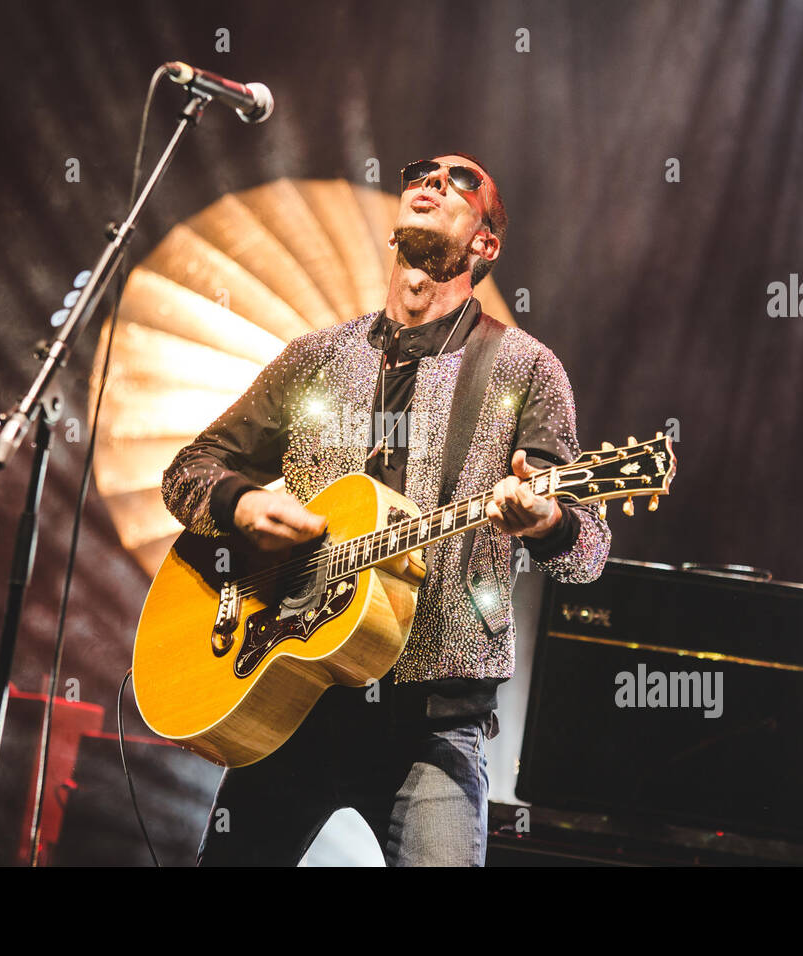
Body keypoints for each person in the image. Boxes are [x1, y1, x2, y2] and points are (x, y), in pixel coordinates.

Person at [160, 154, 611, 866]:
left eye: (460, 182)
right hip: (291, 698)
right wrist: (243, 504)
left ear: (485, 243)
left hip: (431, 723)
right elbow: (188, 472)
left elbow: (589, 554)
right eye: (422, 173)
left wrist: (548, 522)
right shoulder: (316, 355)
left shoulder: (525, 369)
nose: (431, 181)